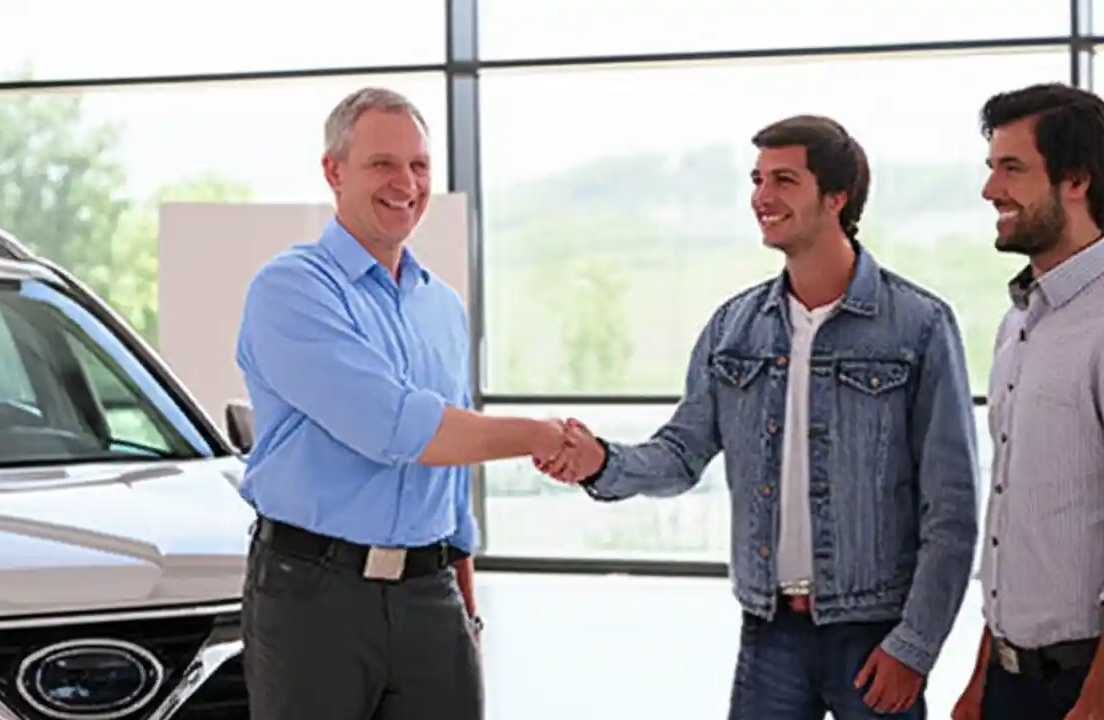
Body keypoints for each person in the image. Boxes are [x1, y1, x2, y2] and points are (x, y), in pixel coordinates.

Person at [540, 115, 980, 719]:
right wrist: (602, 463)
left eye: (783, 180)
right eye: (756, 180)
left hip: (876, 633)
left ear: (837, 196)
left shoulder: (919, 327)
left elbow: (951, 509)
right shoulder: (733, 328)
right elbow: (681, 452)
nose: (761, 198)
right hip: (769, 632)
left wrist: (916, 646)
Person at [234, 86, 568, 720]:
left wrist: (464, 602)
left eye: (418, 165)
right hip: (314, 597)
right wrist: (538, 434)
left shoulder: (438, 305)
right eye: (382, 164)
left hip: (430, 598)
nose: (405, 183)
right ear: (334, 172)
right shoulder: (291, 289)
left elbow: (451, 468)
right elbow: (392, 426)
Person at [951, 83, 1104, 720]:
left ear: (1076, 181)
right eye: (991, 168)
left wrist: (1098, 705)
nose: (990, 190)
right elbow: (1015, 531)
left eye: (1012, 169)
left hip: (1100, 688)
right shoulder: (1019, 326)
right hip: (1011, 682)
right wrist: (982, 680)